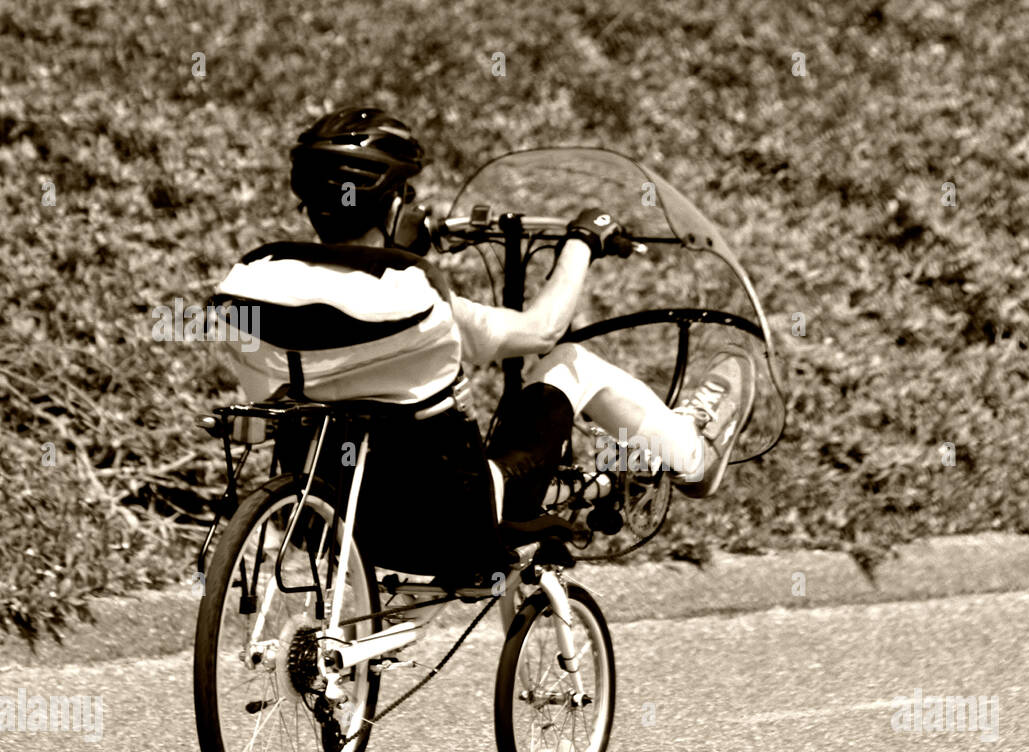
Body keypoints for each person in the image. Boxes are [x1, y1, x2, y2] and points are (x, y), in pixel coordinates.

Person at [215, 106, 756, 524]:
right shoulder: (415, 302)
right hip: (450, 517)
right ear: (398, 203)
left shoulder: (259, 287)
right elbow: (544, 328)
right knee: (570, 363)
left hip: (328, 510)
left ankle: (622, 472)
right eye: (410, 194)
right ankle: (691, 454)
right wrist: (582, 241)